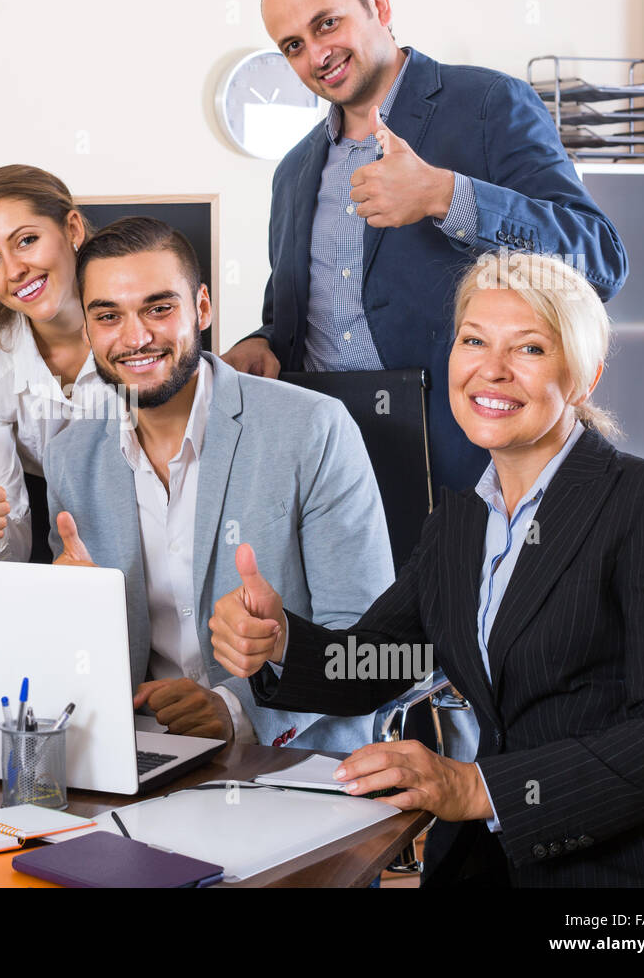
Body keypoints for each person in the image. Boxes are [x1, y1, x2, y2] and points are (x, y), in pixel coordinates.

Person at [209, 252, 644, 887]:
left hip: (631, 874)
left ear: (584, 377)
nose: (492, 368)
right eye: (473, 340)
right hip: (486, 864)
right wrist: (281, 642)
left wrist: (478, 787)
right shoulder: (459, 519)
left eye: (531, 348)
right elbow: (384, 662)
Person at [221, 0, 628, 496]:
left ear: (379, 4)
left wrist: (447, 195)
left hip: (466, 472)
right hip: (328, 478)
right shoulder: (293, 172)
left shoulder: (489, 104)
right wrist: (263, 342)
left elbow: (598, 259)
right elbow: (299, 319)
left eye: (327, 24)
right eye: (294, 45)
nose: (317, 55)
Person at [45, 217, 394, 748]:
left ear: (202, 308)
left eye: (159, 308)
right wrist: (73, 619)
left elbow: (366, 648)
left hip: (292, 760)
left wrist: (234, 707)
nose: (136, 337)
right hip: (138, 753)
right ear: (89, 330)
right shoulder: (71, 456)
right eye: (109, 316)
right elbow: (77, 657)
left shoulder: (313, 427)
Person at [0, 166, 108, 563]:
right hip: (49, 533)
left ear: (72, 229)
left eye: (26, 240)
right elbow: (8, 533)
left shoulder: (140, 337)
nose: (14, 270)